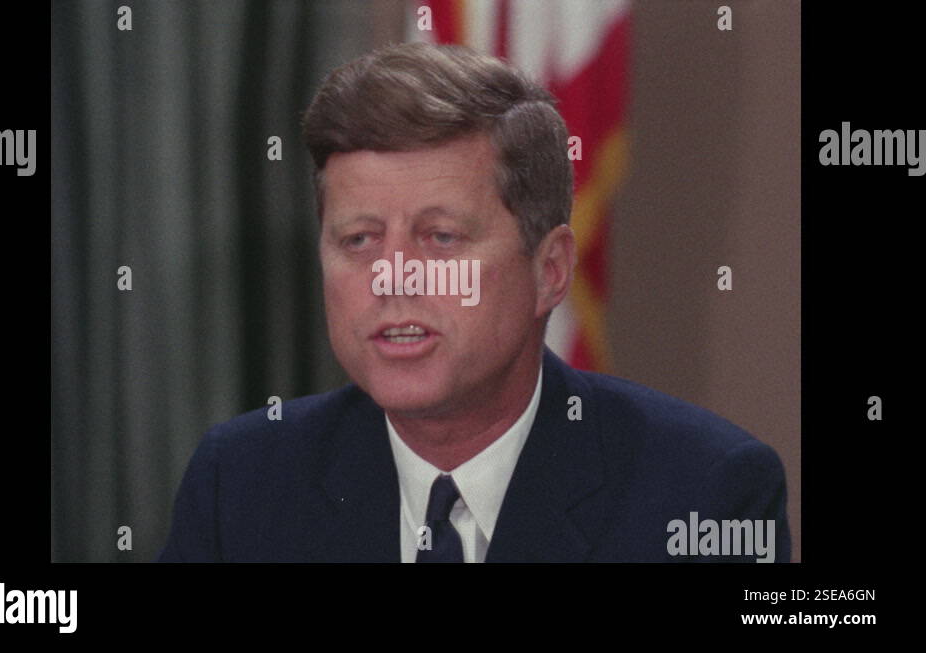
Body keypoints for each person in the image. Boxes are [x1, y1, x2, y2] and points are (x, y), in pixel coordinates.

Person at [157, 42, 790, 563]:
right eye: (359, 239)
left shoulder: (706, 492)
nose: (393, 278)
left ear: (550, 271)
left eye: (440, 238)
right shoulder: (241, 484)